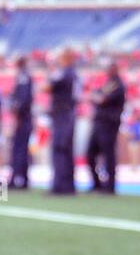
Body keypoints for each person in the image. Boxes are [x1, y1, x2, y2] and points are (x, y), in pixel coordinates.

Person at [86, 61, 125, 194]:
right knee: (90, 154)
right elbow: (96, 95)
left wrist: (95, 97)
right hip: (99, 123)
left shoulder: (118, 85)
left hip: (109, 124)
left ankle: (110, 186)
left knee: (109, 155)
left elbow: (102, 99)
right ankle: (97, 184)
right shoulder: (108, 83)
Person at [46, 49, 78, 195]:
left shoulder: (64, 73)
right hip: (69, 114)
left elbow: (46, 87)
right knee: (67, 150)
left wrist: (51, 70)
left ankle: (59, 185)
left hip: (62, 115)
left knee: (59, 149)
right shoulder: (74, 74)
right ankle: (69, 185)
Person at [7, 57, 34, 190]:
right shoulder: (25, 76)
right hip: (25, 118)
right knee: (21, 148)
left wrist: (16, 114)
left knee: (19, 149)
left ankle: (17, 178)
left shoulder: (23, 77)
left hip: (23, 119)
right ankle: (23, 179)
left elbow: (22, 100)